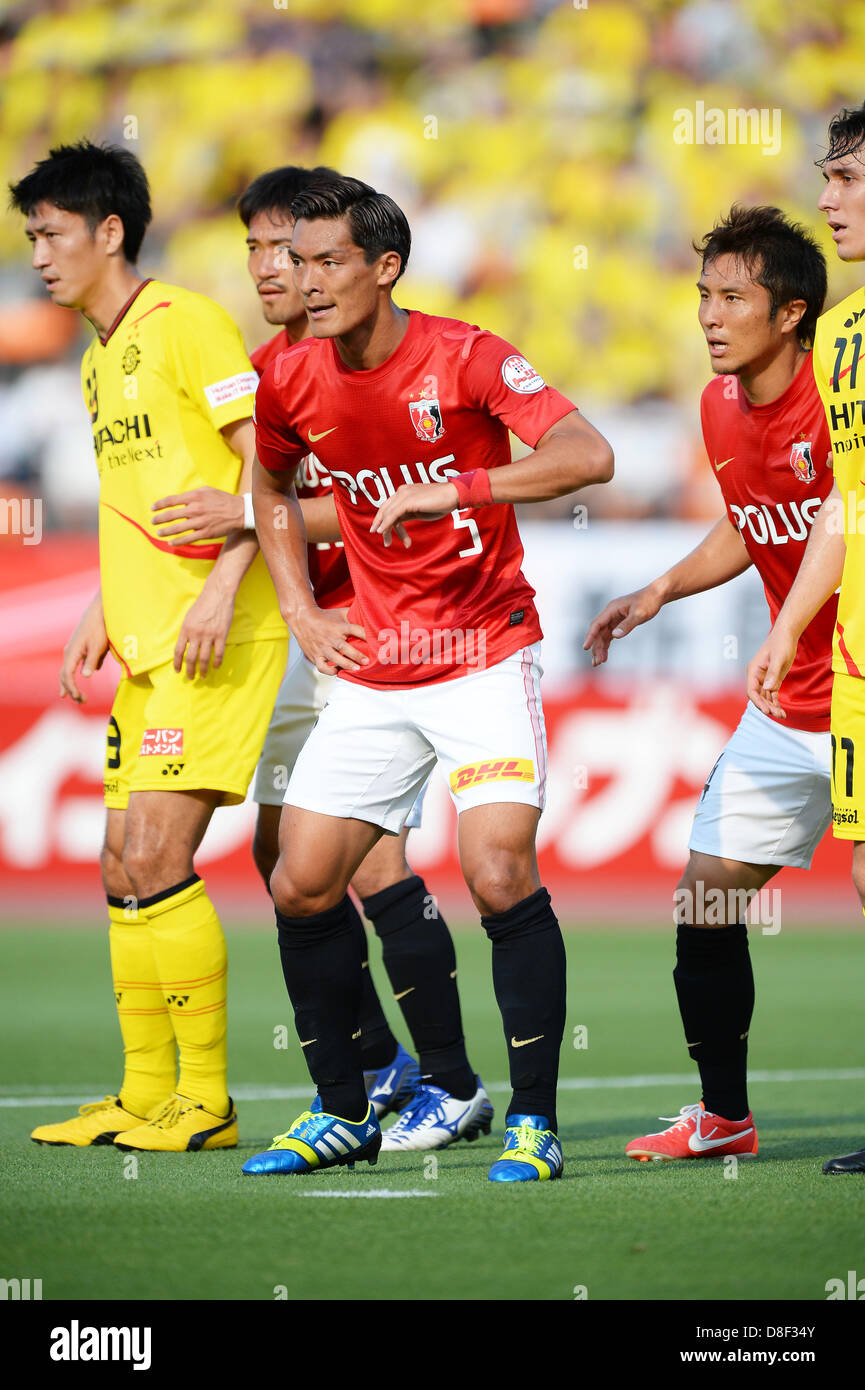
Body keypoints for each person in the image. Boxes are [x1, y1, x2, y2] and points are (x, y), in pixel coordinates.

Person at [246, 174, 614, 1182]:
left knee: (496, 871)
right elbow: (267, 488)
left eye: (326, 263)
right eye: (293, 261)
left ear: (384, 266)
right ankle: (345, 1111)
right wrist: (299, 609)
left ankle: (532, 1122)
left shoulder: (464, 354)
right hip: (375, 660)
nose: (302, 281)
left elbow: (590, 454)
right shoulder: (287, 375)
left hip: (483, 652)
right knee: (299, 879)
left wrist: (459, 482)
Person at [149, 165, 490, 1146]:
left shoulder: (386, 353)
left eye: (286, 248)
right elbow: (267, 498)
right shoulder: (273, 368)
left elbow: (377, 494)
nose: (268, 267)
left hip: (380, 632)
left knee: (371, 857)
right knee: (281, 854)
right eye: (256, 248)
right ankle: (381, 1065)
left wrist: (238, 556)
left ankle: (449, 1079)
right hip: (303, 633)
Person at [10, 141, 287, 1152]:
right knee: (118, 861)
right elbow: (141, 503)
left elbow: (273, 468)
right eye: (30, 235)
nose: (38, 254)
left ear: (109, 231)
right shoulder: (95, 356)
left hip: (219, 636)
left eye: (51, 232)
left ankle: (206, 1099)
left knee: (160, 852)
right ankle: (141, 1091)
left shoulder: (187, 325)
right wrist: (101, 603)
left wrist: (223, 579)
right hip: (146, 644)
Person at [585, 205, 833, 1162]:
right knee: (708, 899)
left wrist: (792, 625)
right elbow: (750, 520)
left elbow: (836, 525)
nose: (708, 315)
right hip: (786, 702)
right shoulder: (718, 406)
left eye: (733, 297)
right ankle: (724, 1116)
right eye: (702, 295)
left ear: (791, 315)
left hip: (850, 686)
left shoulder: (835, 397)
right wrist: (657, 589)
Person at [748, 102, 865, 1176]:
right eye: (825, 180)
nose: (825, 201)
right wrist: (790, 627)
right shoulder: (838, 334)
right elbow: (842, 502)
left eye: (846, 179)